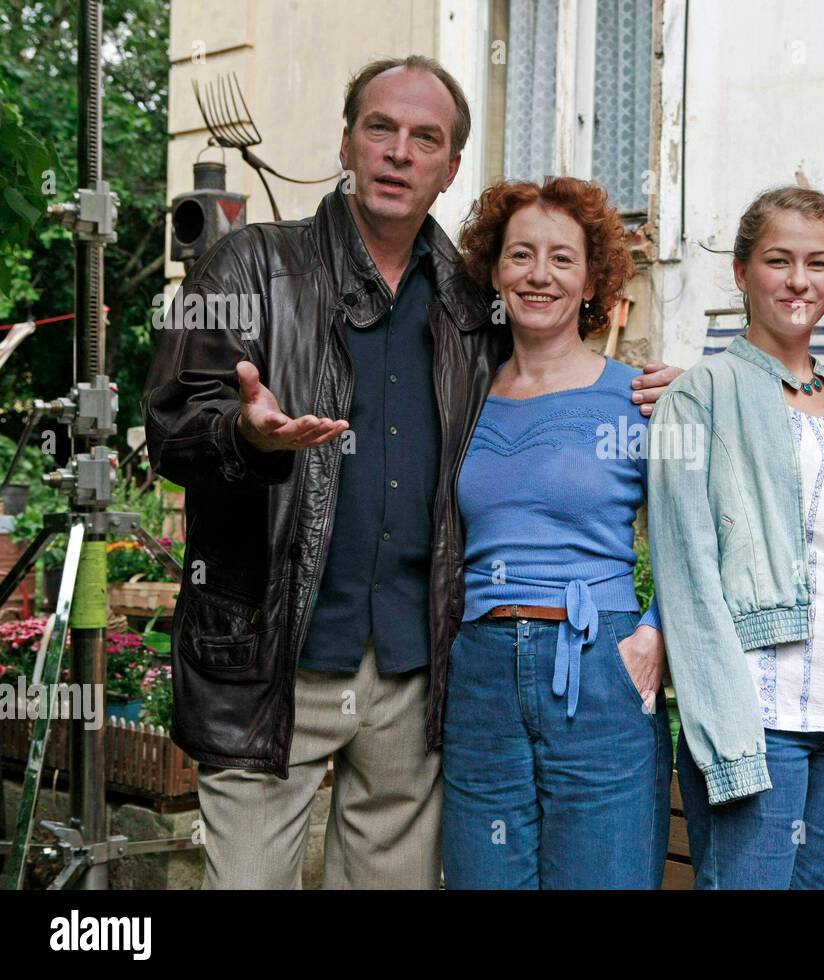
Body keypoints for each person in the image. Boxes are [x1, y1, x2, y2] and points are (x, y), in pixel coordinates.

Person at [142, 56, 680, 889]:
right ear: (348, 142)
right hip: (273, 655)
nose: (399, 153)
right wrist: (245, 436)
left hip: (414, 666)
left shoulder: (474, 303)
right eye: (380, 129)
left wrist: (674, 395)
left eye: (424, 139)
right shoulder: (251, 267)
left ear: (450, 167)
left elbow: (551, 395)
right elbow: (172, 428)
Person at [440, 177, 672, 889]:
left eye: (562, 259)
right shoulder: (461, 398)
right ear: (494, 271)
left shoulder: (639, 396)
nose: (539, 275)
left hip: (601, 663)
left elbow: (700, 540)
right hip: (479, 673)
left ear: (593, 278)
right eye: (521, 256)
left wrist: (655, 631)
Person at [649, 187, 824, 889]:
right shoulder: (699, 396)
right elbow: (686, 578)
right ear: (743, 271)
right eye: (778, 260)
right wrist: (724, 732)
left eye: (818, 262)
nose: (799, 280)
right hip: (760, 715)